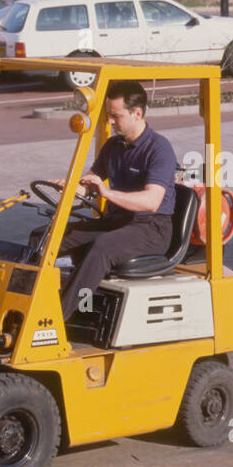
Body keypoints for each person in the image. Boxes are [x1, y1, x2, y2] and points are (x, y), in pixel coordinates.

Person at [29, 80, 176, 323]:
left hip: (151, 228)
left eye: (115, 116)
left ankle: (53, 322)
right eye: (108, 115)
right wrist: (70, 186)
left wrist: (106, 194)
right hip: (117, 222)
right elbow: (90, 184)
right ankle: (29, 304)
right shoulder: (114, 145)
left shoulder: (159, 148)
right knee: (43, 236)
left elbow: (151, 201)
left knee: (102, 247)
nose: (109, 121)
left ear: (137, 113)